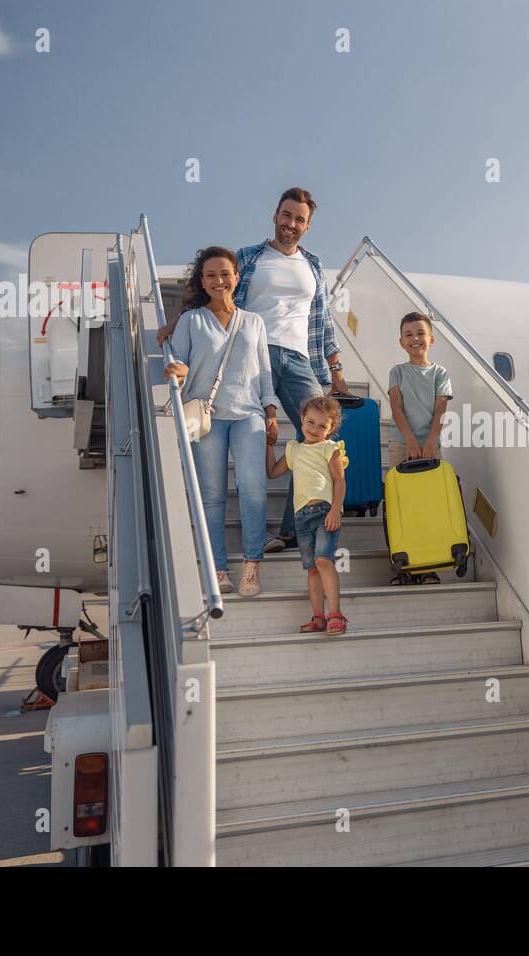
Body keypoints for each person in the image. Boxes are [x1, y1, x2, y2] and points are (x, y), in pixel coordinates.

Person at [158, 187, 350, 554]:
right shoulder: (248, 256)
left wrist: (335, 370)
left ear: (307, 226)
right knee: (249, 456)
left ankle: (295, 528)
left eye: (299, 219)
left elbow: (323, 321)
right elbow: (216, 292)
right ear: (275, 215)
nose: (291, 224)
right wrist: (178, 320)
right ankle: (251, 539)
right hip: (249, 357)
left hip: (298, 359)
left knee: (322, 442)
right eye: (286, 215)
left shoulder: (313, 266)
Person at [164, 246, 280, 598]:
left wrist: (271, 410)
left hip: (249, 416)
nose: (219, 281)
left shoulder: (254, 321)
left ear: (236, 276)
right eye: (211, 275)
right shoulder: (190, 320)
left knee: (253, 489)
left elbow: (263, 373)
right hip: (206, 417)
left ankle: (251, 567)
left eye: (225, 274)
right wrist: (178, 370)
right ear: (202, 280)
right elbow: (178, 361)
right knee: (212, 497)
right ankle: (218, 569)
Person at [266, 396, 349, 635]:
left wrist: (336, 509)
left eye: (322, 426)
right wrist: (269, 444)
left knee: (324, 560)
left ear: (331, 428)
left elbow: (339, 480)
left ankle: (335, 614)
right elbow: (272, 472)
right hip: (301, 516)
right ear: (302, 418)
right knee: (312, 568)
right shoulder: (294, 449)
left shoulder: (330, 448)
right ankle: (318, 616)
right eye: (310, 422)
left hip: (325, 512)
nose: (314, 429)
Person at [387, 311, 452, 467]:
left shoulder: (440, 373)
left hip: (430, 444)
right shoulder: (396, 372)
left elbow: (440, 411)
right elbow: (397, 409)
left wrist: (431, 442)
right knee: (400, 489)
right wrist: (410, 440)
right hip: (401, 444)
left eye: (421, 333)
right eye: (408, 335)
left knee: (431, 490)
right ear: (401, 342)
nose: (415, 338)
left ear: (431, 340)